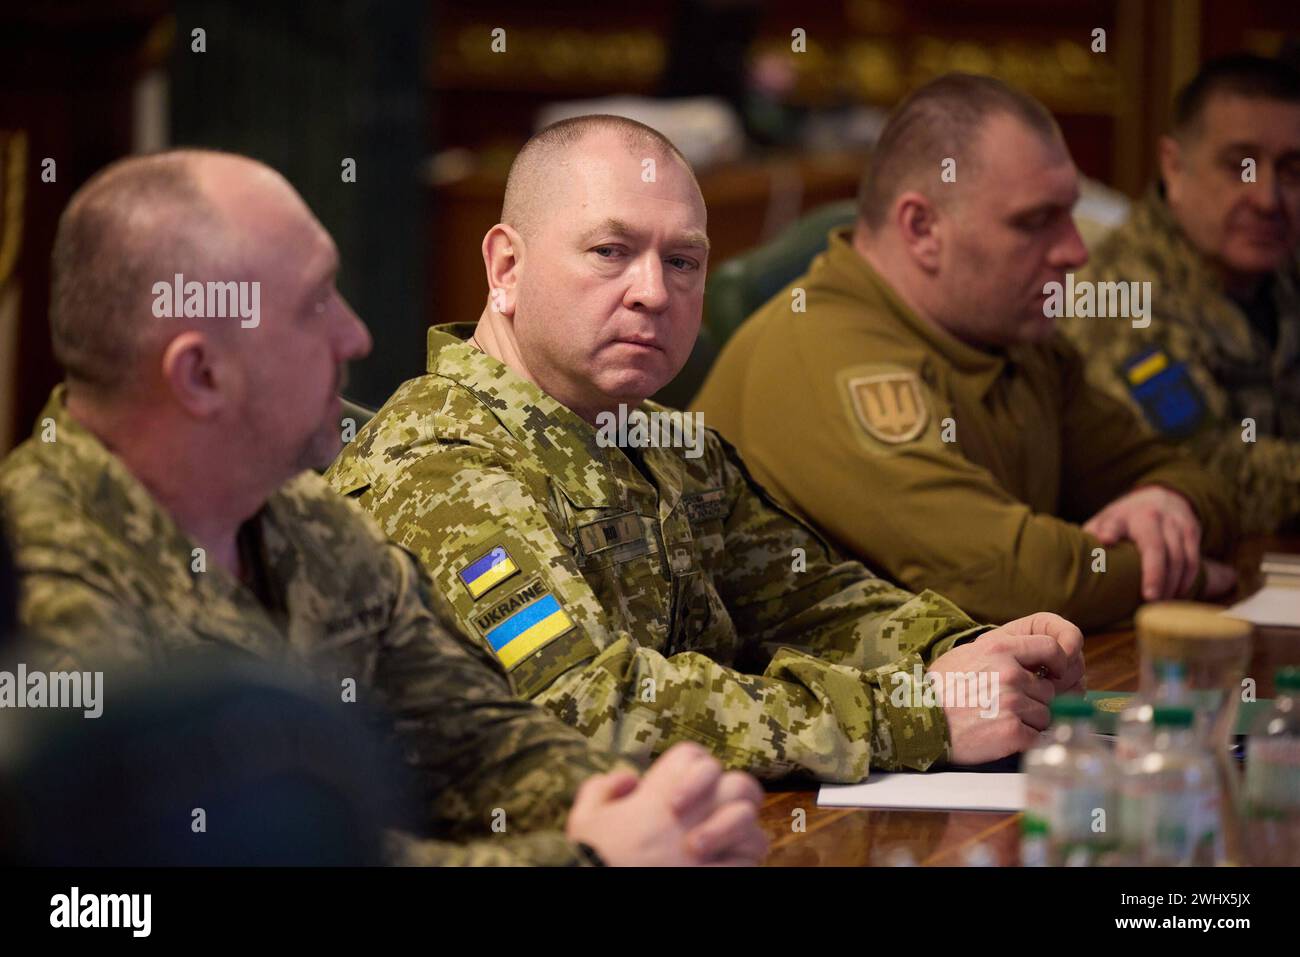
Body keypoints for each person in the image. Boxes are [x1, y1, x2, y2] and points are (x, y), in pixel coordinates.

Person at [0, 149, 767, 867]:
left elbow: (475, 742)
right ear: (201, 375)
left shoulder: (302, 517)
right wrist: (588, 856)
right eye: (314, 306)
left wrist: (655, 815)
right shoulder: (40, 589)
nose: (356, 336)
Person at [327, 114, 1088, 782]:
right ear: (506, 268)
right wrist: (913, 713)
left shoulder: (664, 442)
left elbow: (814, 605)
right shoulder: (440, 463)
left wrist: (976, 653)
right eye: (609, 251)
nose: (653, 292)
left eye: (682, 261)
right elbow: (590, 709)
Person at [693, 75, 1238, 631]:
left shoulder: (1012, 342)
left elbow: (1188, 473)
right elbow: (1016, 580)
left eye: (1069, 214)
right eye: (1034, 222)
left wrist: (1168, 503)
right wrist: (1178, 569)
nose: (1074, 252)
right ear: (923, 228)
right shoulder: (829, 358)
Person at [1062, 53, 1300, 534]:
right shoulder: (1118, 294)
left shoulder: (1284, 272)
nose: (1268, 199)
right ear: (1174, 165)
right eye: (1241, 168)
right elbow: (1199, 471)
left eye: (1293, 171)